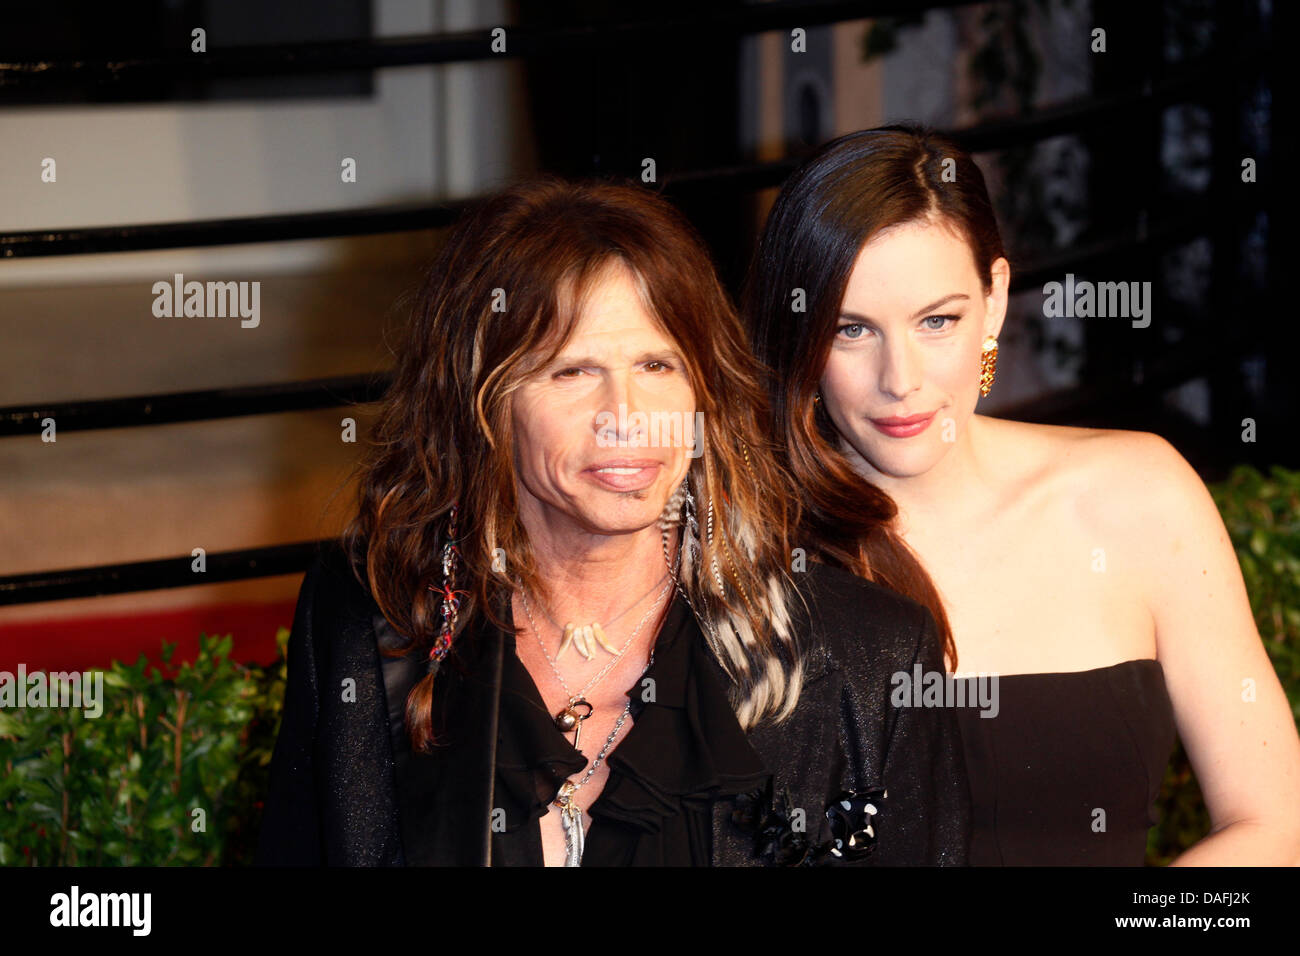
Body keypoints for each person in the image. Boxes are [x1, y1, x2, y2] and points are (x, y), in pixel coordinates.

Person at [255, 176, 971, 866]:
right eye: (572, 371)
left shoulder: (864, 659)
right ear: (482, 401)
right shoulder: (372, 618)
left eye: (658, 366)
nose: (625, 419)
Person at [742, 123, 1300, 865]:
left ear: (995, 300)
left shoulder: (1139, 496)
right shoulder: (750, 543)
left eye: (937, 320)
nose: (900, 379)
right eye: (851, 330)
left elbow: (1278, 826)